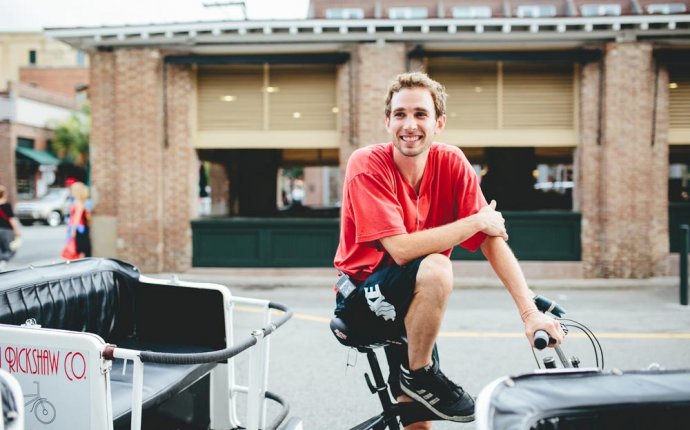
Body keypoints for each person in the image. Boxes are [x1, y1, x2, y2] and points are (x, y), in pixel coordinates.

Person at [333, 72, 564, 428]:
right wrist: (474, 222)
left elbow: (492, 239)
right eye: (400, 114)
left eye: (420, 114)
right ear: (387, 121)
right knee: (437, 267)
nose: (409, 125)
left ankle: (417, 379)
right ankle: (420, 374)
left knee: (417, 418)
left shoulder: (453, 163)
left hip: (411, 300)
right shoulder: (367, 164)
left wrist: (529, 312)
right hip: (363, 300)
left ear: (439, 123)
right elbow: (400, 249)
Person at [68, 181, 91, 258]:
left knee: (79, 248)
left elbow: (77, 217)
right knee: (78, 248)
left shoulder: (79, 202)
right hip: (78, 227)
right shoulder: (79, 202)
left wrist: (73, 230)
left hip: (78, 227)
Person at [0, 185, 21, 271]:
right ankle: (3, 263)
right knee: (11, 249)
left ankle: (1, 262)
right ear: (3, 194)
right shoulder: (6, 205)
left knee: (1, 249)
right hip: (6, 230)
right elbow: (12, 220)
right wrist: (17, 231)